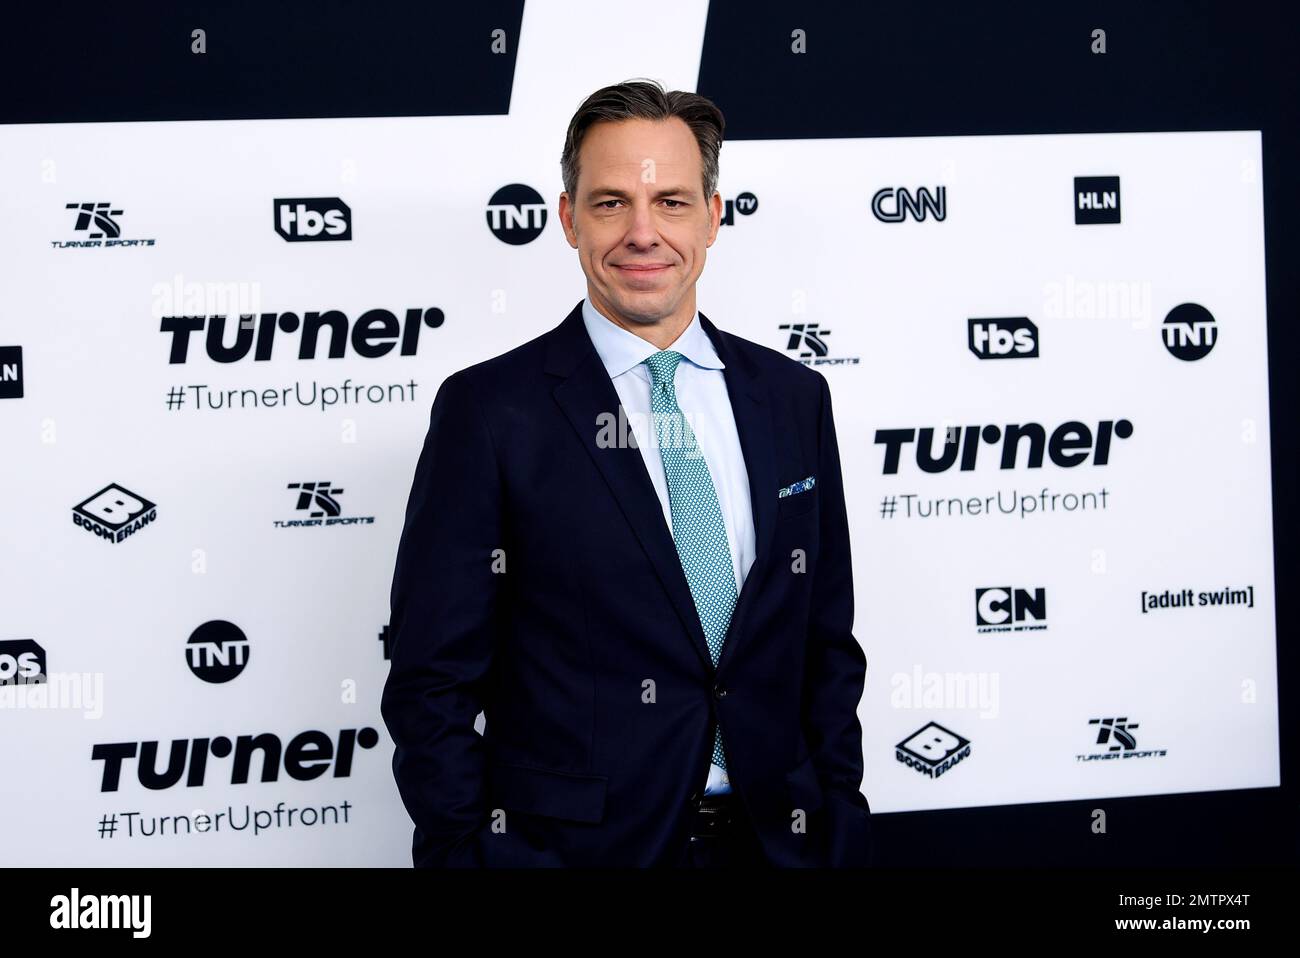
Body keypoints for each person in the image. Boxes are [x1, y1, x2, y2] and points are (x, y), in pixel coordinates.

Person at [380, 78, 872, 868]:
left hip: (781, 848)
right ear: (569, 218)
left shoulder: (793, 398)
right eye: (611, 204)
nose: (644, 234)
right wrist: (472, 854)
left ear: (713, 217)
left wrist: (838, 815)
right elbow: (430, 681)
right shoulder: (491, 412)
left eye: (671, 202)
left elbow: (825, 640)